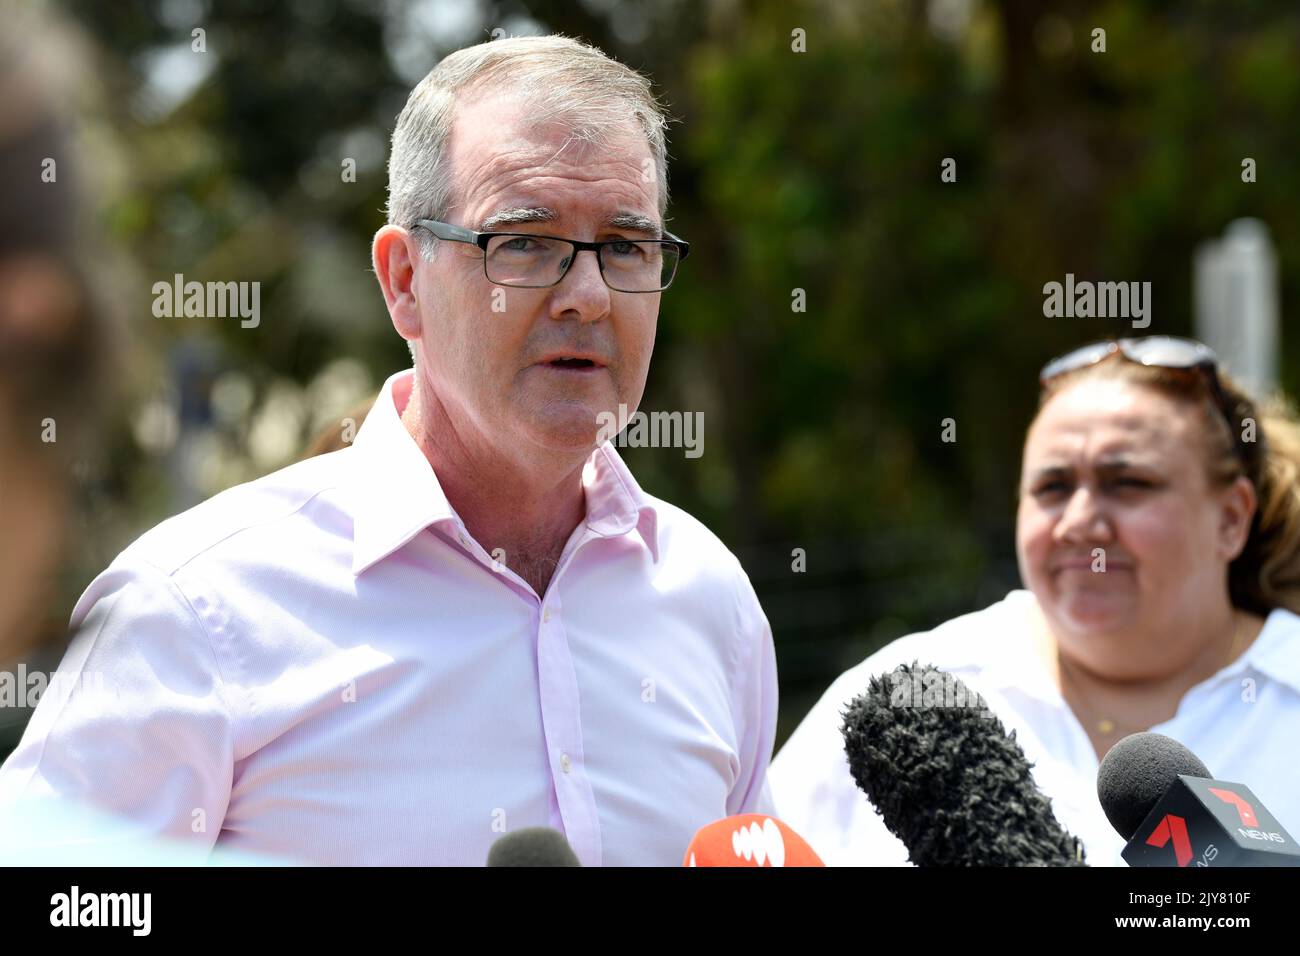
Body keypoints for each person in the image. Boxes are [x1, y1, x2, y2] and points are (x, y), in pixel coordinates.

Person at [0, 34, 778, 866]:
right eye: (524, 242)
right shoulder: (195, 612)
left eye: (626, 246)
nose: (587, 296)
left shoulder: (711, 602)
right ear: (405, 280)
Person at [770, 336, 1300, 866]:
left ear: (1231, 519)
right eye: (1052, 488)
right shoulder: (910, 699)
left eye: (1128, 483)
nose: (1078, 524)